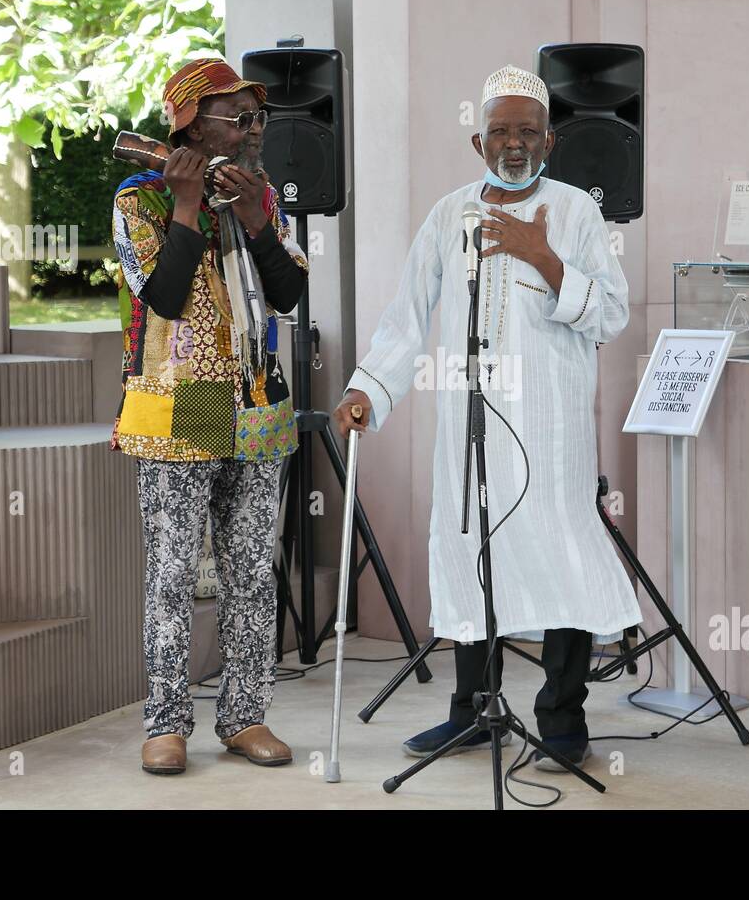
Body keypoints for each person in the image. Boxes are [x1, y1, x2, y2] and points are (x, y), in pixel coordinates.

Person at [332, 65, 642, 770]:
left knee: (562, 555)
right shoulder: (448, 215)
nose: (513, 142)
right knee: (472, 549)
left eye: (527, 131)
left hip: (550, 427)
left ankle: (562, 716)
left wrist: (547, 259)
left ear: (550, 141)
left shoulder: (576, 213)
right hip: (467, 425)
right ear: (478, 142)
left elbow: (613, 314)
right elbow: (408, 315)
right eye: (500, 130)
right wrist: (368, 392)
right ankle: (474, 712)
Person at [110, 58, 308, 775]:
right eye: (239, 118)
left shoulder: (261, 198)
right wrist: (188, 206)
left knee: (253, 570)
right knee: (172, 572)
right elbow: (161, 295)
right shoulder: (142, 198)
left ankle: (245, 715)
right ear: (191, 122)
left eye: (258, 119)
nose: (255, 131)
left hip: (258, 399)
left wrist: (255, 217)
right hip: (183, 399)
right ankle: (165, 723)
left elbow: (285, 293)